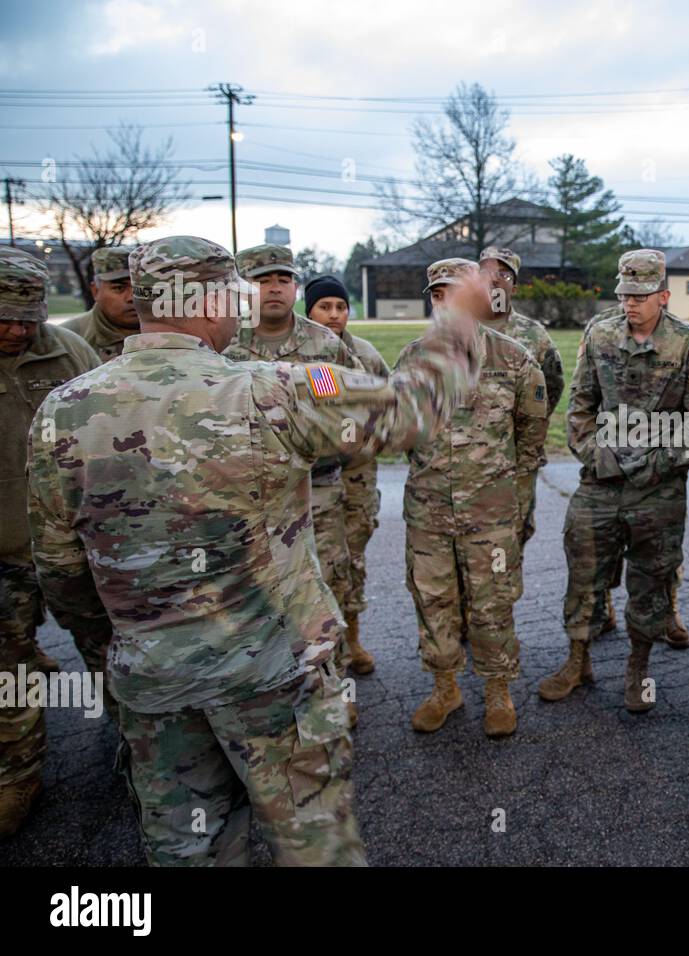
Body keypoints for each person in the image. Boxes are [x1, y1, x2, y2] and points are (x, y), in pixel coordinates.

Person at [26, 235, 484, 865]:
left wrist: (117, 647)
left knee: (190, 848)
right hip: (275, 677)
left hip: (157, 685)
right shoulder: (272, 393)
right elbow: (415, 408)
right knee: (313, 840)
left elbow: (59, 571)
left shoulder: (63, 411)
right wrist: (459, 315)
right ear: (214, 300)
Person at [541, 250, 689, 711]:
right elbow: (580, 404)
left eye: (640, 295)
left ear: (664, 296)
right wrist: (597, 456)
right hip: (601, 478)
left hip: (659, 485)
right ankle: (578, 659)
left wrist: (655, 464)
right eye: (624, 294)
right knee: (583, 568)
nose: (630, 303)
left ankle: (638, 665)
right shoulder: (601, 332)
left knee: (651, 577)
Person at [400, 259, 547, 738]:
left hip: (492, 514)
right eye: (438, 294)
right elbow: (403, 432)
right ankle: (446, 687)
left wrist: (512, 489)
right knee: (434, 599)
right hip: (428, 512)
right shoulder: (413, 360)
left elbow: (531, 433)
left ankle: (497, 690)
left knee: (492, 603)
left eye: (456, 291)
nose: (447, 302)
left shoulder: (516, 360)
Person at [222, 245, 368, 714]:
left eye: (283, 278)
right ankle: (267, 693)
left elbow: (348, 412)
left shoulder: (323, 346)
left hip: (315, 492)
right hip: (244, 499)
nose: (275, 287)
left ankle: (333, 688)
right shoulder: (223, 345)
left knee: (327, 587)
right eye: (263, 280)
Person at [0, 247, 102, 837]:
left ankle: (134, 748)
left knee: (107, 652)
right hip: (5, 550)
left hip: (77, 542)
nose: (17, 330)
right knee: (8, 671)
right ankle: (19, 773)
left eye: (27, 318)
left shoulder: (70, 352)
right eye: (4, 318)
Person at [304, 274, 387, 676]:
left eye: (340, 307)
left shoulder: (366, 355)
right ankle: (325, 655)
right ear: (309, 311)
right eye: (325, 307)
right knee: (320, 566)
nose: (334, 315)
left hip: (356, 478)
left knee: (352, 560)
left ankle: (352, 638)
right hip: (313, 481)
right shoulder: (308, 358)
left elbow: (387, 405)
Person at [477, 246, 564, 545]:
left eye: (504, 274)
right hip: (466, 460)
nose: (495, 280)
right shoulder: (457, 326)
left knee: (511, 537)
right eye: (487, 272)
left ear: (514, 284)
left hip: (516, 460)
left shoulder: (533, 334)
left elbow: (552, 383)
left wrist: (527, 426)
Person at [62, 246, 138, 360]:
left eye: (139, 287)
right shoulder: (67, 340)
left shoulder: (169, 330)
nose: (132, 297)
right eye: (119, 288)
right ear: (96, 291)